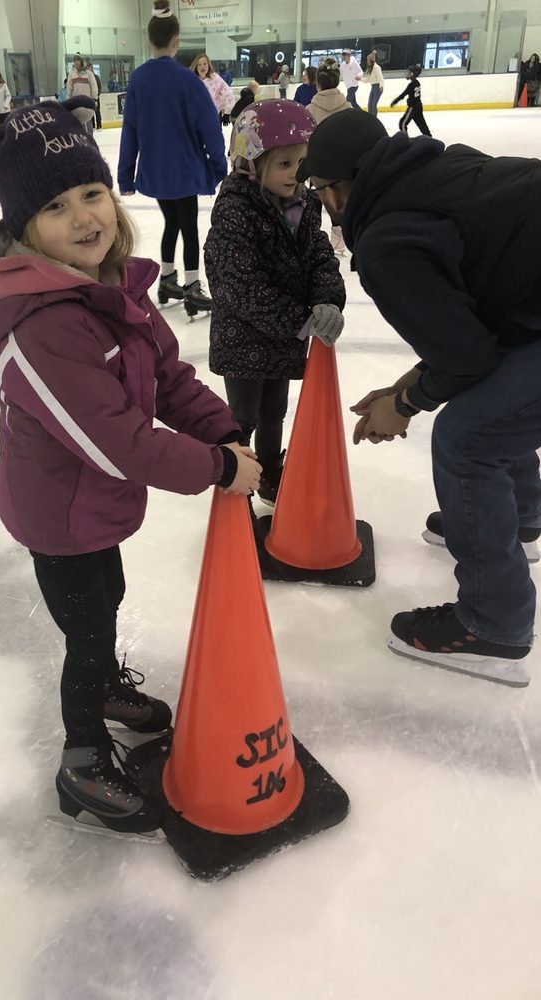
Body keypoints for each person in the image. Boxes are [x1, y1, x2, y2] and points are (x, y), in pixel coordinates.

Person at [0, 96, 260, 834]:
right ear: (25, 230)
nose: (85, 216)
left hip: (94, 505)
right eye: (57, 206)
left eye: (92, 192)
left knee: (111, 592)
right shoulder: (47, 331)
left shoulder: (114, 290)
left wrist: (223, 430)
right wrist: (216, 469)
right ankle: (83, 759)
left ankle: (102, 691)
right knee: (87, 631)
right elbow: (116, 440)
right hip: (58, 514)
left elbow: (168, 376)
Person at [298, 111, 541, 687]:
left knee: (465, 440)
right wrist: (409, 383)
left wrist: (404, 406)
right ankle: (522, 518)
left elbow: (468, 360)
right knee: (493, 403)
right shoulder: (434, 168)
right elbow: (476, 319)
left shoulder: (386, 241)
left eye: (320, 189)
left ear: (338, 188)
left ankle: (492, 622)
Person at [204, 100, 346, 506]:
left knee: (275, 412)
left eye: (301, 163)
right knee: (243, 418)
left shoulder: (305, 205)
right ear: (252, 163)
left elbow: (319, 256)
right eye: (284, 163)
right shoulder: (235, 212)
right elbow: (240, 286)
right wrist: (300, 321)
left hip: (284, 340)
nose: (295, 174)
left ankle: (268, 472)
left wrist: (327, 300)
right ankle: (238, 482)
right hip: (244, 342)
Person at [118, 1, 226, 318]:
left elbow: (130, 131)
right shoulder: (187, 80)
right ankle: (192, 286)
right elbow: (209, 127)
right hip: (185, 170)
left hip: (157, 172)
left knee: (172, 223)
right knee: (188, 227)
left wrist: (126, 176)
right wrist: (218, 167)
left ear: (150, 40)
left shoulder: (138, 79)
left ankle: (167, 279)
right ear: (176, 40)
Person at [308, 64, 350, 256]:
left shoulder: (309, 110)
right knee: (339, 201)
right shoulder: (348, 108)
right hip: (343, 165)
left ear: (318, 84)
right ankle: (339, 237)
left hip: (318, 167)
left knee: (315, 199)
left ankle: (312, 237)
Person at [190, 52, 234, 123]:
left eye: (205, 64)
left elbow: (229, 94)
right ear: (196, 67)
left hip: (214, 116)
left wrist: (227, 113)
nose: (202, 67)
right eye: (199, 65)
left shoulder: (215, 79)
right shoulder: (192, 80)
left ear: (208, 65)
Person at [391, 65, 431, 136]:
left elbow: (403, 95)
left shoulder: (411, 85)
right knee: (422, 126)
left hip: (413, 108)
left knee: (402, 123)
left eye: (409, 72)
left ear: (412, 74)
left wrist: (395, 101)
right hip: (418, 107)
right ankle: (430, 138)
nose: (407, 73)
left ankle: (405, 140)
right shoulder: (417, 83)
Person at [65, 56, 98, 134]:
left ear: (82, 62)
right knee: (79, 121)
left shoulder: (89, 73)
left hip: (87, 101)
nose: (76, 62)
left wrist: (95, 98)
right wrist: (69, 98)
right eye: (75, 60)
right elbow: (69, 87)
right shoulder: (72, 74)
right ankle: (82, 138)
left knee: (88, 120)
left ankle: (90, 138)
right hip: (76, 102)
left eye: (78, 60)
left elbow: (94, 85)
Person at [359, 50, 384, 117]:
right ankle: (370, 118)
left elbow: (380, 78)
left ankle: (374, 119)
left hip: (378, 87)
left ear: (371, 61)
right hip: (373, 87)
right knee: (370, 104)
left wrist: (381, 86)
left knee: (373, 105)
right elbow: (367, 80)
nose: (367, 62)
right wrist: (360, 79)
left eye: (368, 60)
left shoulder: (376, 68)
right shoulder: (370, 69)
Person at [87, 62, 103, 130]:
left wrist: (97, 95)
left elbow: (99, 87)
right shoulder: (87, 78)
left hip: (95, 97)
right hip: (89, 97)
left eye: (89, 68)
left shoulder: (96, 77)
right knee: (91, 112)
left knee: (97, 111)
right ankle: (92, 125)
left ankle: (99, 125)